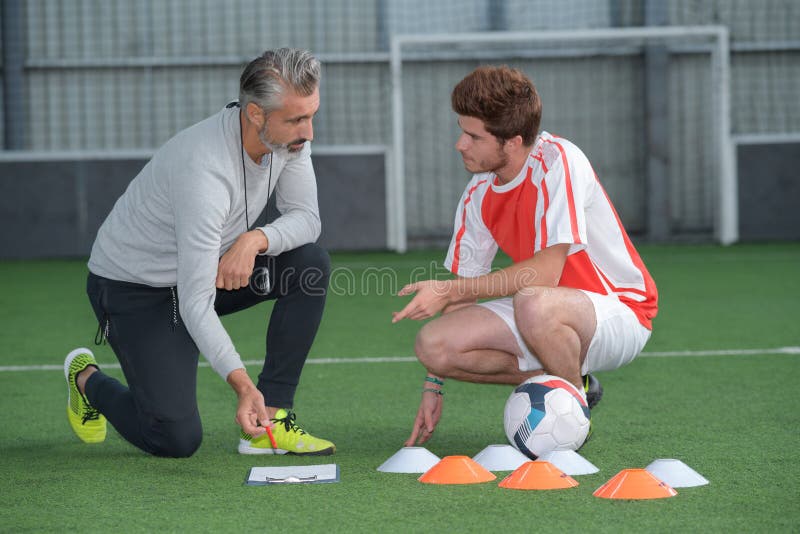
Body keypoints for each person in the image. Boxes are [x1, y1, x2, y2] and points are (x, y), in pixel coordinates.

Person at [64, 48, 336, 457]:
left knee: (309, 263)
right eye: (297, 119)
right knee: (174, 439)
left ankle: (269, 424)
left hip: (206, 269)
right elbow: (194, 303)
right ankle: (86, 379)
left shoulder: (290, 142)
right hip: (135, 290)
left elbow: (306, 218)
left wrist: (253, 239)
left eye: (311, 115)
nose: (308, 131)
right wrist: (243, 386)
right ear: (256, 114)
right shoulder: (203, 170)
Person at [393, 66, 658, 447]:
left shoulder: (558, 161)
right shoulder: (478, 192)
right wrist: (434, 383)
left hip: (621, 310)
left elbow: (547, 273)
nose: (460, 144)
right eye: (461, 131)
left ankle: (574, 415)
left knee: (533, 301)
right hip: (543, 312)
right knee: (433, 344)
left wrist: (447, 290)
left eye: (473, 136)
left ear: (513, 142)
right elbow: (465, 292)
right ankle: (570, 379)